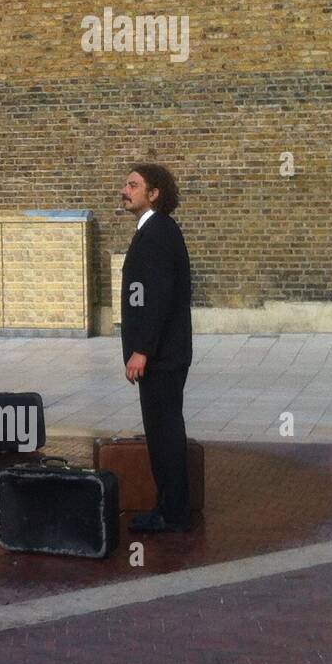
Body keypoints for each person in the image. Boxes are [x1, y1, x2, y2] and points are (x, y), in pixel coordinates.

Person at [120, 164, 194, 534]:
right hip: (162, 354)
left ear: (154, 192)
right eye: (126, 184)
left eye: (134, 185)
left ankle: (172, 512)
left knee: (164, 433)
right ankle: (172, 507)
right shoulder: (154, 231)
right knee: (164, 430)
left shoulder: (157, 233)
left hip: (161, 357)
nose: (125, 190)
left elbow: (158, 299)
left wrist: (142, 350)